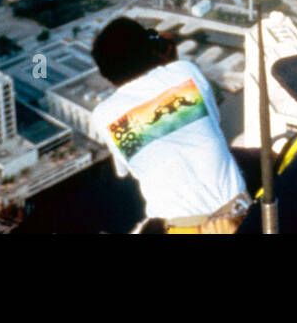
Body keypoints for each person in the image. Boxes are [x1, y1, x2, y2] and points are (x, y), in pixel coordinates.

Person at [89, 16, 250, 233]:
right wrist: (168, 60)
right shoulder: (185, 72)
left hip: (184, 228)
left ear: (106, 75)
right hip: (240, 215)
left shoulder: (104, 115)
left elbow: (125, 170)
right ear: (151, 49)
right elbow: (214, 119)